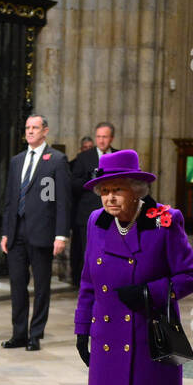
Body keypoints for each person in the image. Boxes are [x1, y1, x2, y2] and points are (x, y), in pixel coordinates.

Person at [75, 150, 193, 385]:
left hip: (152, 331)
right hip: (107, 333)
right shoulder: (96, 221)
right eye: (104, 191)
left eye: (117, 190)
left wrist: (150, 292)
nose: (109, 198)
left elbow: (191, 275)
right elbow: (87, 280)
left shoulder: (164, 220)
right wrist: (83, 327)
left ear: (137, 190)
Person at [0, 114, 71, 350]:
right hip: (17, 233)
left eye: (35, 127)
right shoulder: (16, 160)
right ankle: (18, 333)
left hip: (42, 233)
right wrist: (5, 232)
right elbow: (10, 199)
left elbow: (62, 200)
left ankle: (35, 334)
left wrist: (61, 234)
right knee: (17, 285)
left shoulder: (56, 160)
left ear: (45, 131)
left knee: (41, 286)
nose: (30, 131)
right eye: (27, 127)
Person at [68, 122, 116, 287]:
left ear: (111, 138)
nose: (101, 140)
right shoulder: (84, 157)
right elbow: (73, 184)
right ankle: (89, 286)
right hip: (88, 214)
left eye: (105, 137)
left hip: (114, 215)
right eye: (99, 137)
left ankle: (109, 284)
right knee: (89, 253)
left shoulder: (118, 156)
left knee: (111, 252)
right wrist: (91, 178)